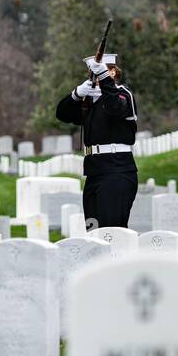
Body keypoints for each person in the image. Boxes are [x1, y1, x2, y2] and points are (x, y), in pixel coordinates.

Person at [54, 52, 138, 228]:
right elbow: (62, 114)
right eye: (93, 72)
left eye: (100, 71)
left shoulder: (123, 94)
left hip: (117, 171)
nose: (95, 76)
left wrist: (105, 79)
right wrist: (76, 94)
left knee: (111, 231)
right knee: (93, 230)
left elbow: (115, 107)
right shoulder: (89, 101)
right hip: (94, 172)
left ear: (113, 72)